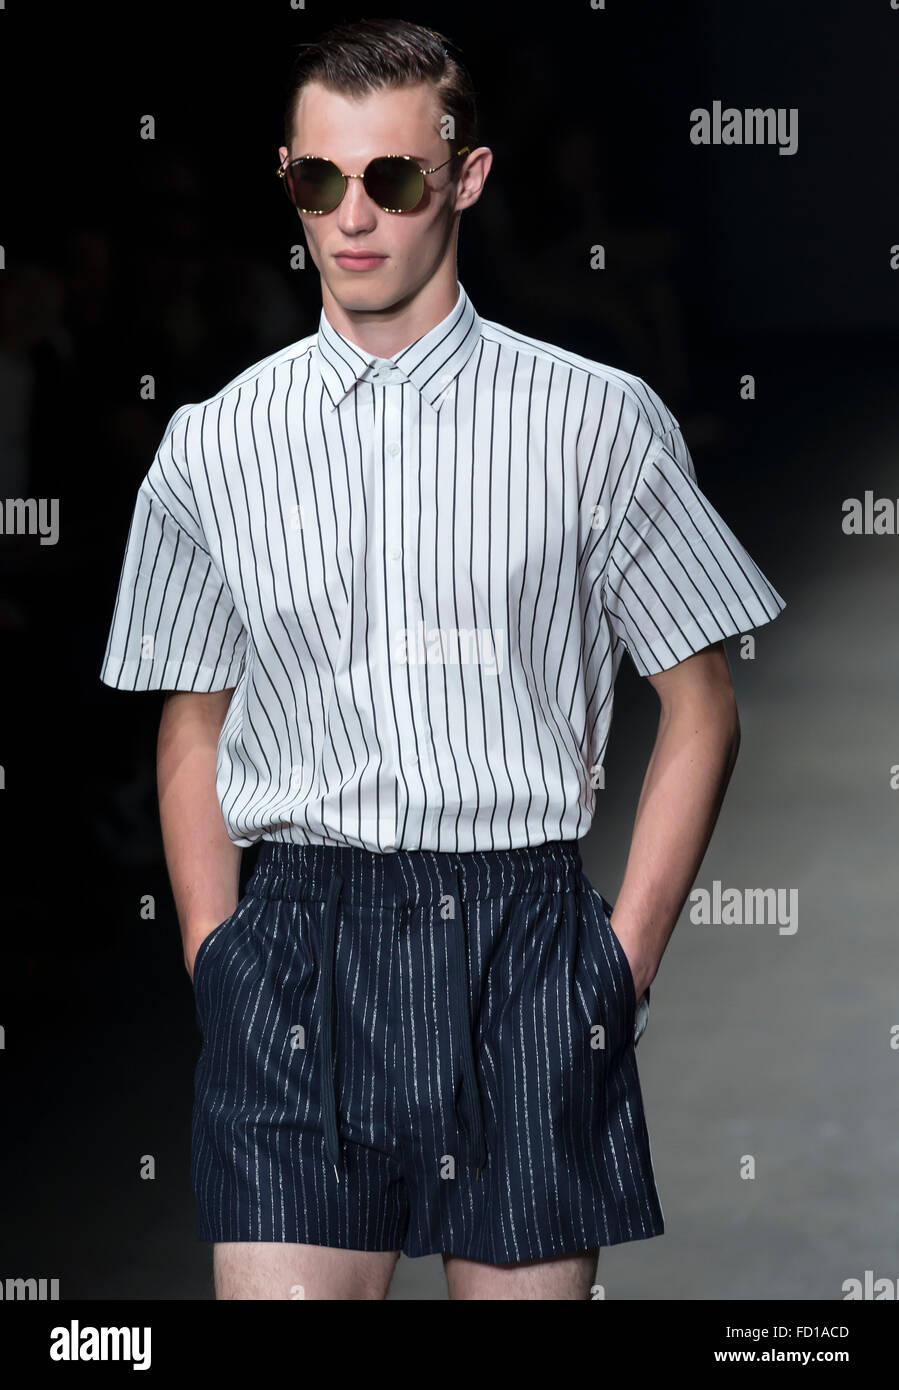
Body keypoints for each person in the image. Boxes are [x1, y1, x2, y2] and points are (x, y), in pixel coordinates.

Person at [99, 17, 786, 1300]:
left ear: (464, 180)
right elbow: (193, 716)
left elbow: (699, 703)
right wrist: (216, 955)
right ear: (290, 181)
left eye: (393, 180)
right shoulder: (213, 445)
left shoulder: (593, 420)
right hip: (296, 941)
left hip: (524, 943)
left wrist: (615, 965)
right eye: (319, 180)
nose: (352, 218)